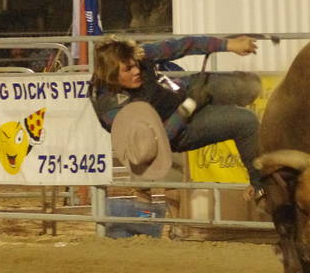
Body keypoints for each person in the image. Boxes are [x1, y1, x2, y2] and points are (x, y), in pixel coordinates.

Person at [89, 34, 265, 195]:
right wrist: (190, 105)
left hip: (182, 93)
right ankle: (261, 186)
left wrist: (229, 45)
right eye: (128, 69)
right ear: (112, 76)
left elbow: (184, 45)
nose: (136, 71)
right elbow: (158, 139)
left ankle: (255, 136)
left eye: (135, 65)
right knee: (246, 121)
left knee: (249, 84)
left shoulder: (138, 55)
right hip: (178, 130)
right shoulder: (112, 109)